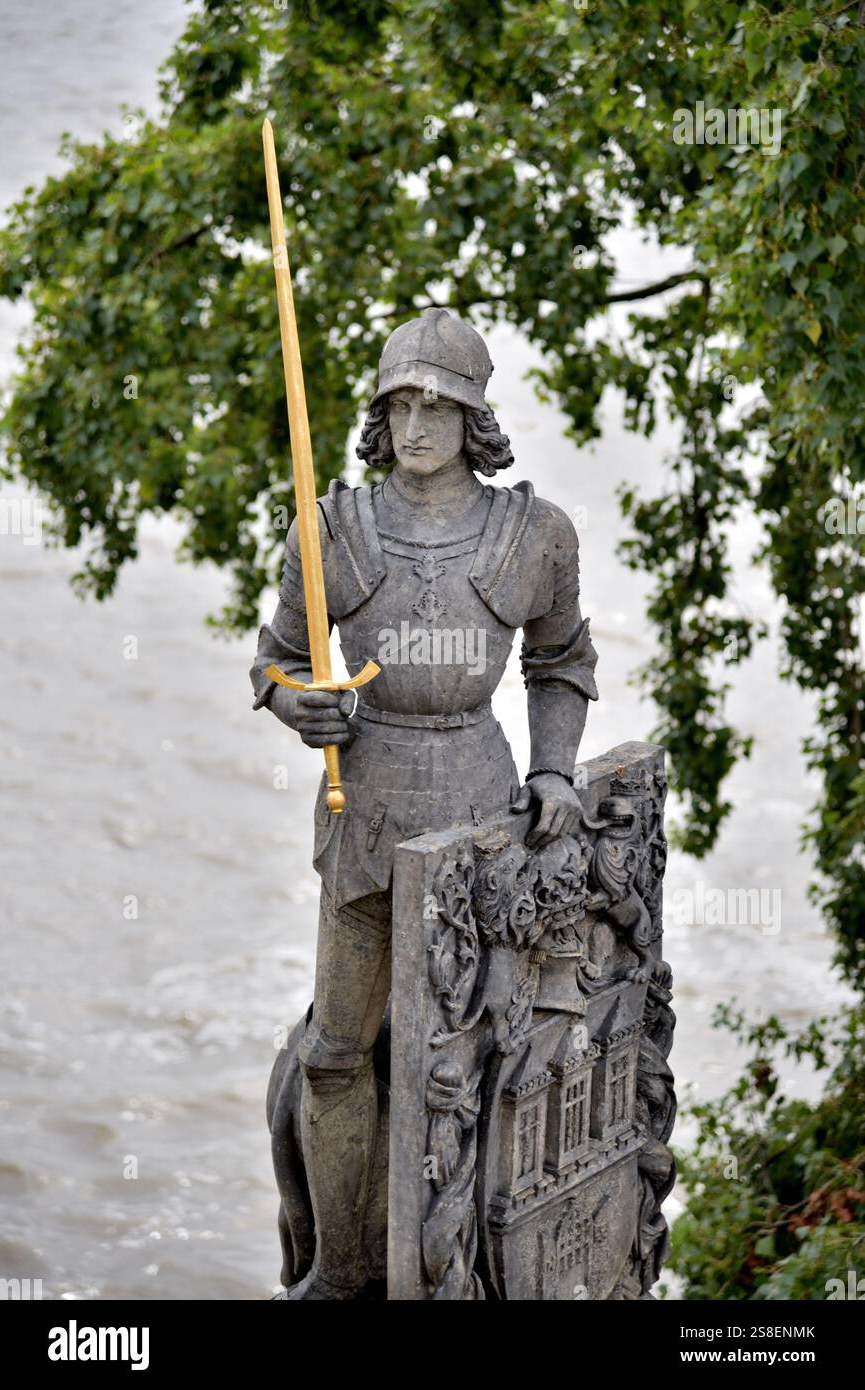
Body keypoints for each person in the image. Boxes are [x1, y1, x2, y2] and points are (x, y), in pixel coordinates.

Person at [250, 308, 599, 1299]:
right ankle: (341, 1268)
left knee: (460, 1059)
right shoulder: (330, 530)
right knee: (332, 1054)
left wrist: (556, 770)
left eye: (437, 404)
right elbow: (273, 657)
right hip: (359, 815)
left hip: (476, 826)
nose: (415, 423)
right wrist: (295, 701)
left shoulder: (534, 534)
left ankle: (459, 1265)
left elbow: (560, 661)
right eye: (399, 402)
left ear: (473, 418)